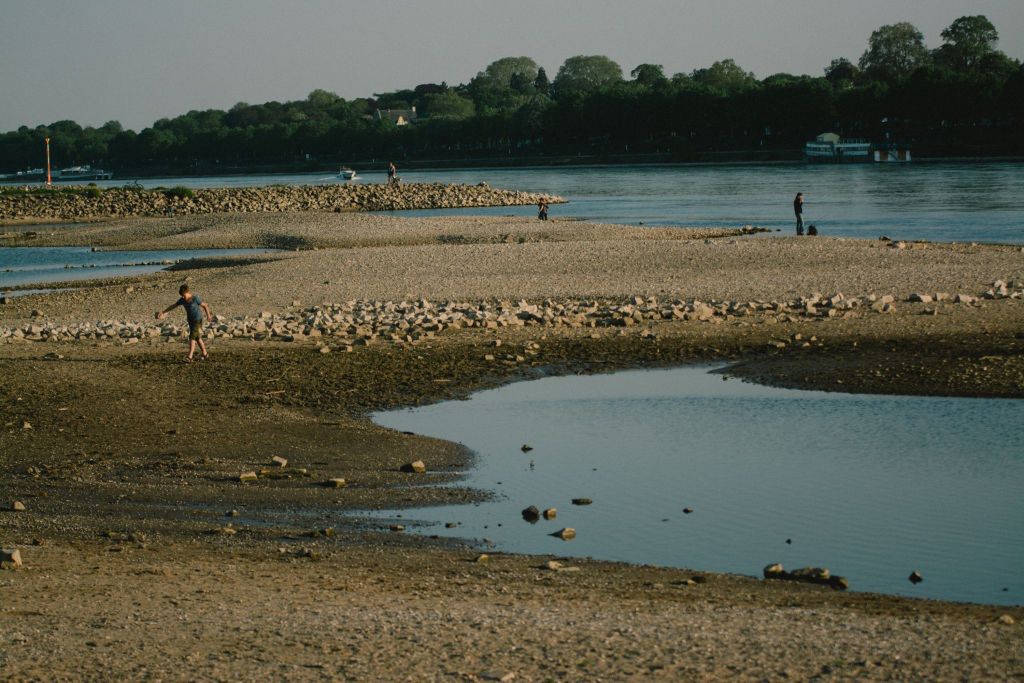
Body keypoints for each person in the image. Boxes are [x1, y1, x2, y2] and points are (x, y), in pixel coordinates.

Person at [156, 284, 212, 362]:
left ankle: (190, 357)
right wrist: (163, 312)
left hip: (197, 319)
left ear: (188, 292)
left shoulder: (195, 298)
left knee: (192, 337)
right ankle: (205, 353)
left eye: (184, 295)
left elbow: (205, 306)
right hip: (190, 320)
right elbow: (173, 306)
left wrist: (208, 316)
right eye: (182, 296)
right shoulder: (182, 300)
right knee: (197, 337)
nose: (184, 297)